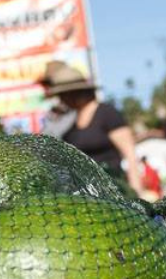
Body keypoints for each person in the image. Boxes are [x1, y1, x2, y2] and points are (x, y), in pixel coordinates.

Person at [42, 63, 144, 195]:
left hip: (115, 187)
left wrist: (136, 192)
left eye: (62, 95)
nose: (61, 100)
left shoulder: (107, 114)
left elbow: (130, 154)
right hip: (86, 193)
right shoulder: (70, 123)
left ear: (73, 93)